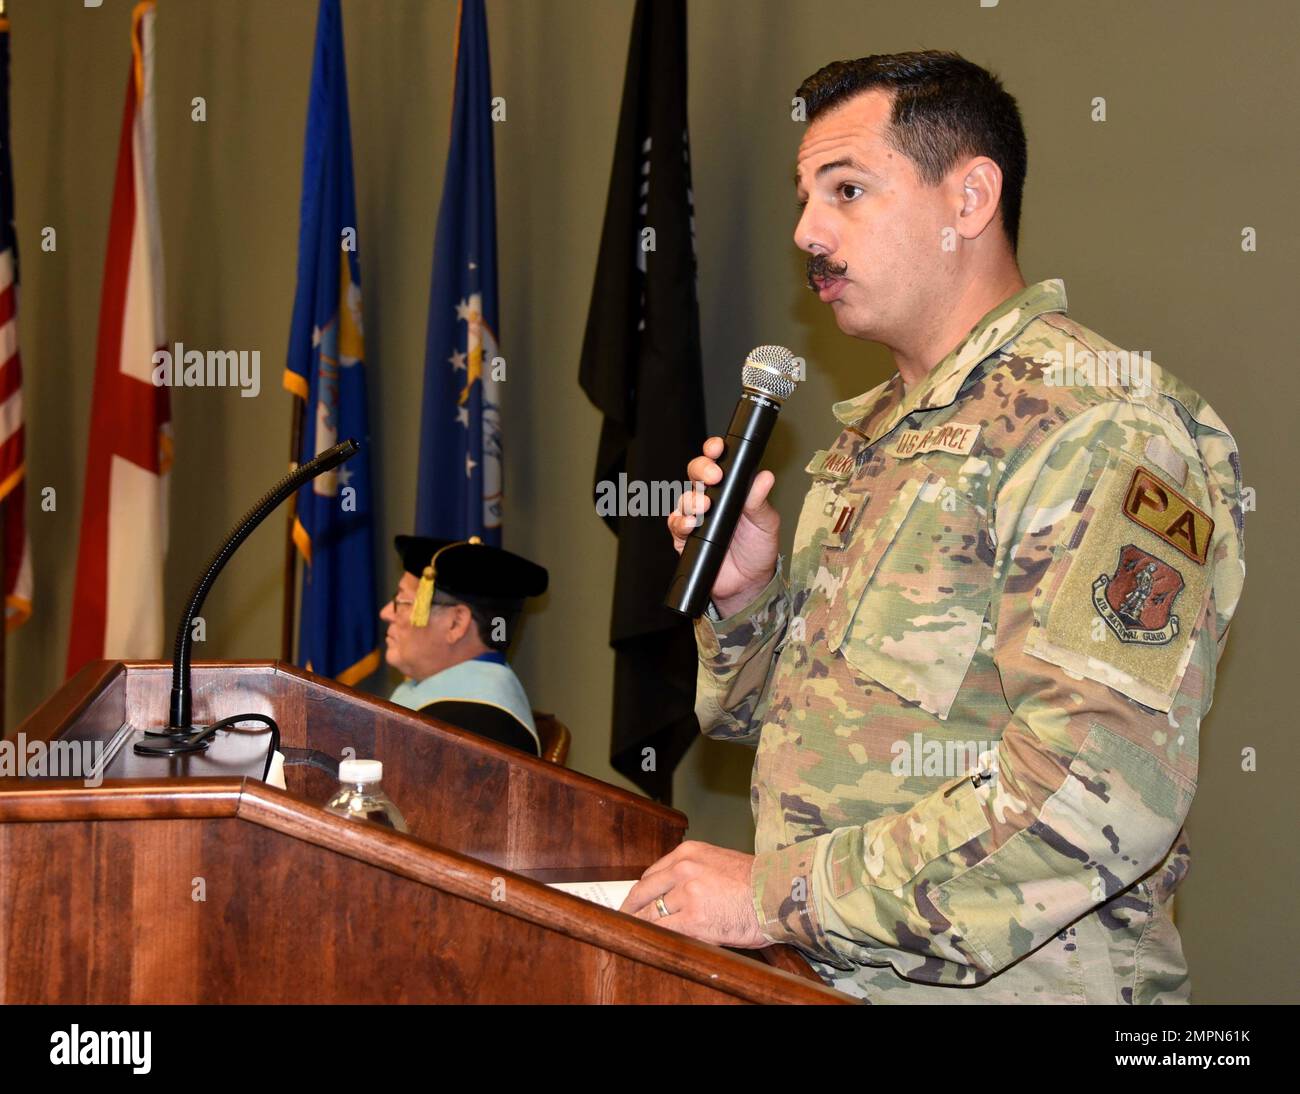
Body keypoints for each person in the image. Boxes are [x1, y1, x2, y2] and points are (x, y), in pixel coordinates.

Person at [620, 51, 1245, 1004]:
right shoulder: (872, 437)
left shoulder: (1097, 426)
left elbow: (1098, 791)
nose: (806, 231)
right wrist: (745, 599)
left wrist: (770, 897)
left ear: (970, 198)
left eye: (847, 190)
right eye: (804, 197)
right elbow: (795, 734)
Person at [379, 535, 548, 756]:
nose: (386, 613)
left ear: (456, 623)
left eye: (402, 602)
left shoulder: (476, 730)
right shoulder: (446, 708)